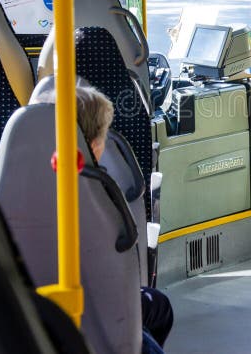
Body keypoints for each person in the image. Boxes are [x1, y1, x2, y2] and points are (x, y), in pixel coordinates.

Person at [31, 84, 175, 353]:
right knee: (156, 311)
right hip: (90, 315)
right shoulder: (98, 197)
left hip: (27, 312)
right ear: (95, 145)